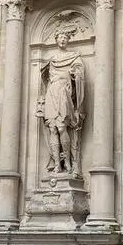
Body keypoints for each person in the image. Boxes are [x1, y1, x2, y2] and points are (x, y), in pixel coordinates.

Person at [36, 29, 86, 177]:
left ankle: (68, 163)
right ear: (56, 40)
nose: (63, 40)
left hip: (64, 93)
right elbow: (44, 79)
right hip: (52, 92)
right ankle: (57, 164)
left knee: (62, 127)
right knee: (52, 129)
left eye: (65, 37)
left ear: (68, 40)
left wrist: (75, 74)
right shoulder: (51, 60)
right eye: (60, 37)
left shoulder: (74, 57)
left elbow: (80, 74)